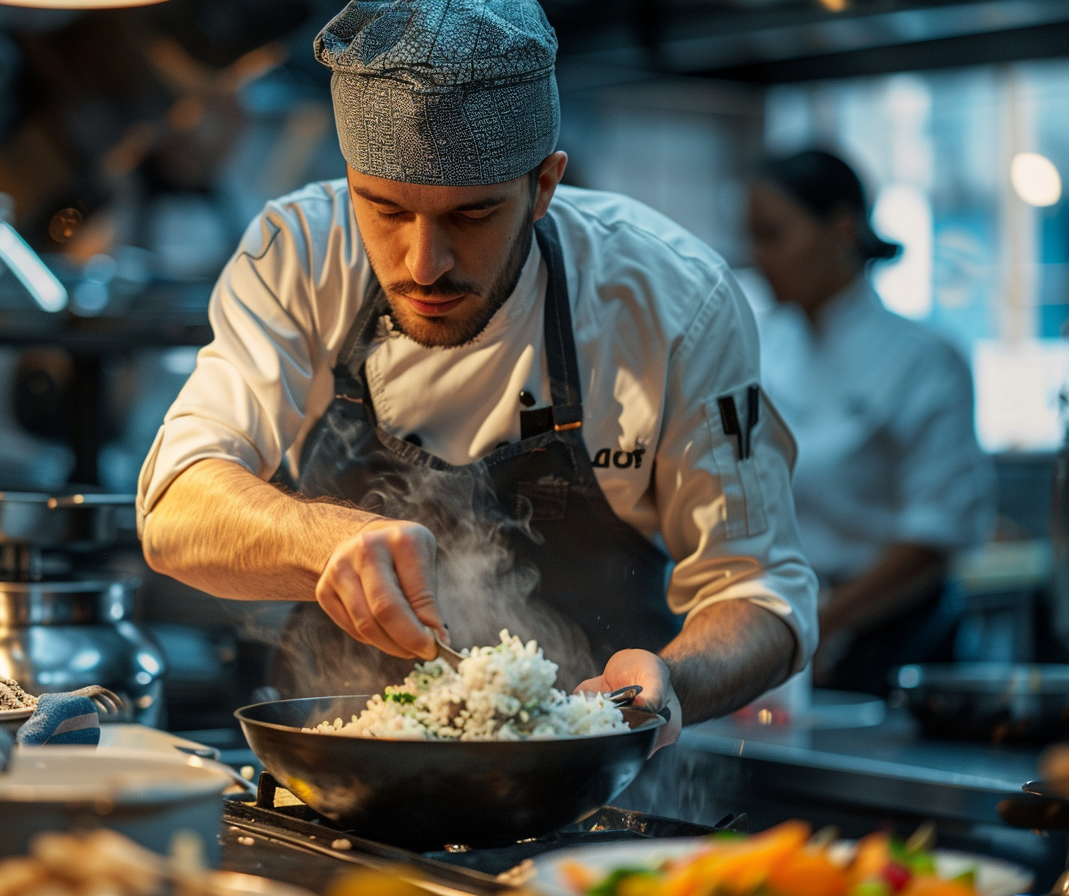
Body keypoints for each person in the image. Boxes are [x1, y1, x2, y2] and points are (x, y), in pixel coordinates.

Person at [138, 0, 818, 749]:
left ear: (545, 187)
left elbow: (765, 594)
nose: (424, 264)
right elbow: (175, 505)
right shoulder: (299, 252)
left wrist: (673, 680)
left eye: (472, 215)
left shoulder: (672, 300)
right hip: (348, 775)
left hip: (592, 785)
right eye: (386, 210)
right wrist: (322, 538)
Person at [747, 150, 995, 694]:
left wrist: (828, 619)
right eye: (754, 238)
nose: (759, 257)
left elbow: (936, 532)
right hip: (783, 621)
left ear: (840, 228)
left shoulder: (923, 359)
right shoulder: (761, 347)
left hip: (893, 637)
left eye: (774, 236)